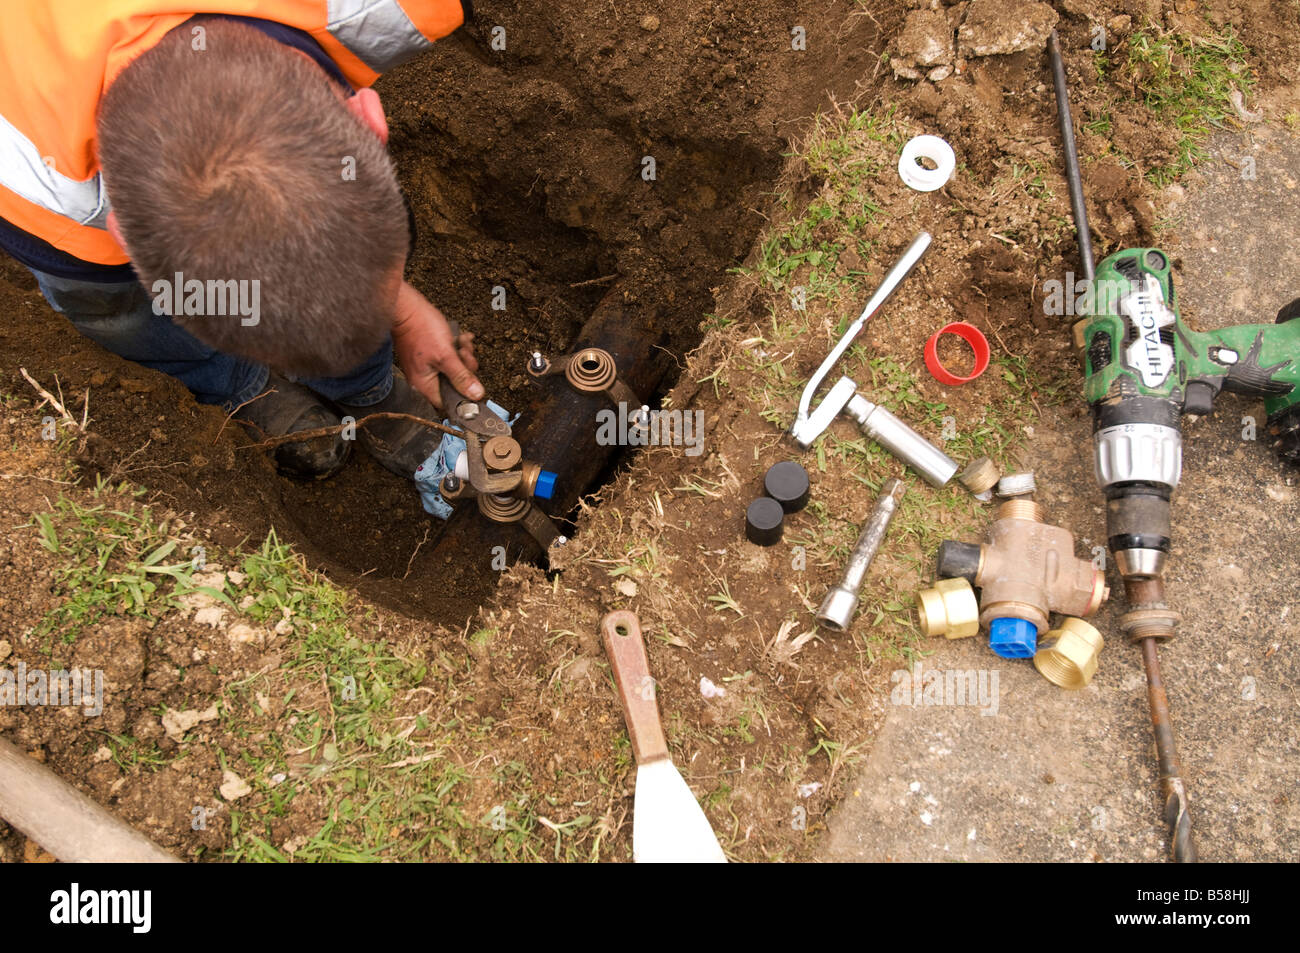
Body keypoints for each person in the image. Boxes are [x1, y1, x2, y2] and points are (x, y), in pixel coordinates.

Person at [0, 1, 484, 479]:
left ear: (368, 120)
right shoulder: (41, 184)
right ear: (126, 234)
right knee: (115, 310)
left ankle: (367, 391)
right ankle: (238, 382)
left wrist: (394, 306)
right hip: (59, 228)